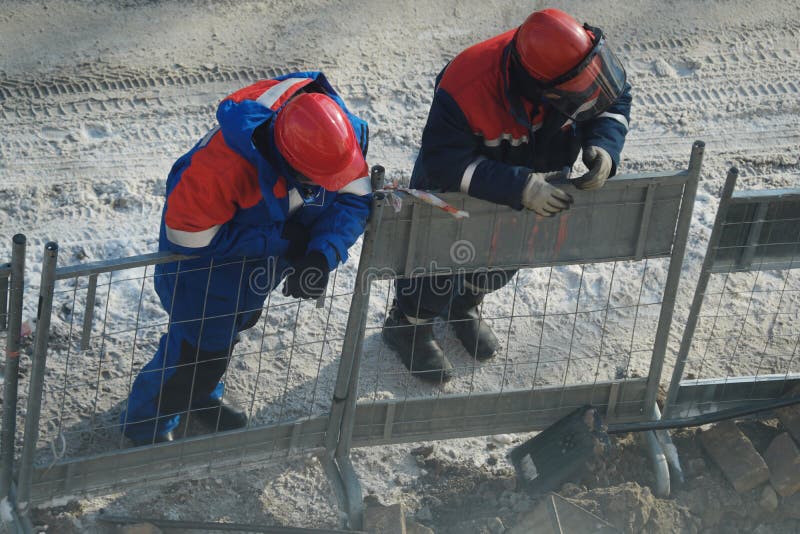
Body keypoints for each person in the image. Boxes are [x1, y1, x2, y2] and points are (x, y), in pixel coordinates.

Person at [121, 72, 372, 446]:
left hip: (259, 267)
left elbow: (354, 198)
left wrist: (321, 255)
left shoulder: (339, 139)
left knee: (231, 332)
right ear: (289, 163)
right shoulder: (218, 170)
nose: (328, 187)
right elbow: (190, 240)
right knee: (192, 356)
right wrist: (281, 239)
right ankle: (145, 427)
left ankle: (201, 395)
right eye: (319, 181)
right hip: (205, 272)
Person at [383, 8, 632, 383]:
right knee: (435, 259)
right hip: (462, 185)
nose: (583, 96)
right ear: (537, 86)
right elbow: (443, 161)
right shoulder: (466, 84)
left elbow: (613, 98)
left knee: (508, 252)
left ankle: (463, 305)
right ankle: (407, 325)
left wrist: (605, 147)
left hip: (537, 181)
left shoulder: (572, 60)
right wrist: (519, 187)